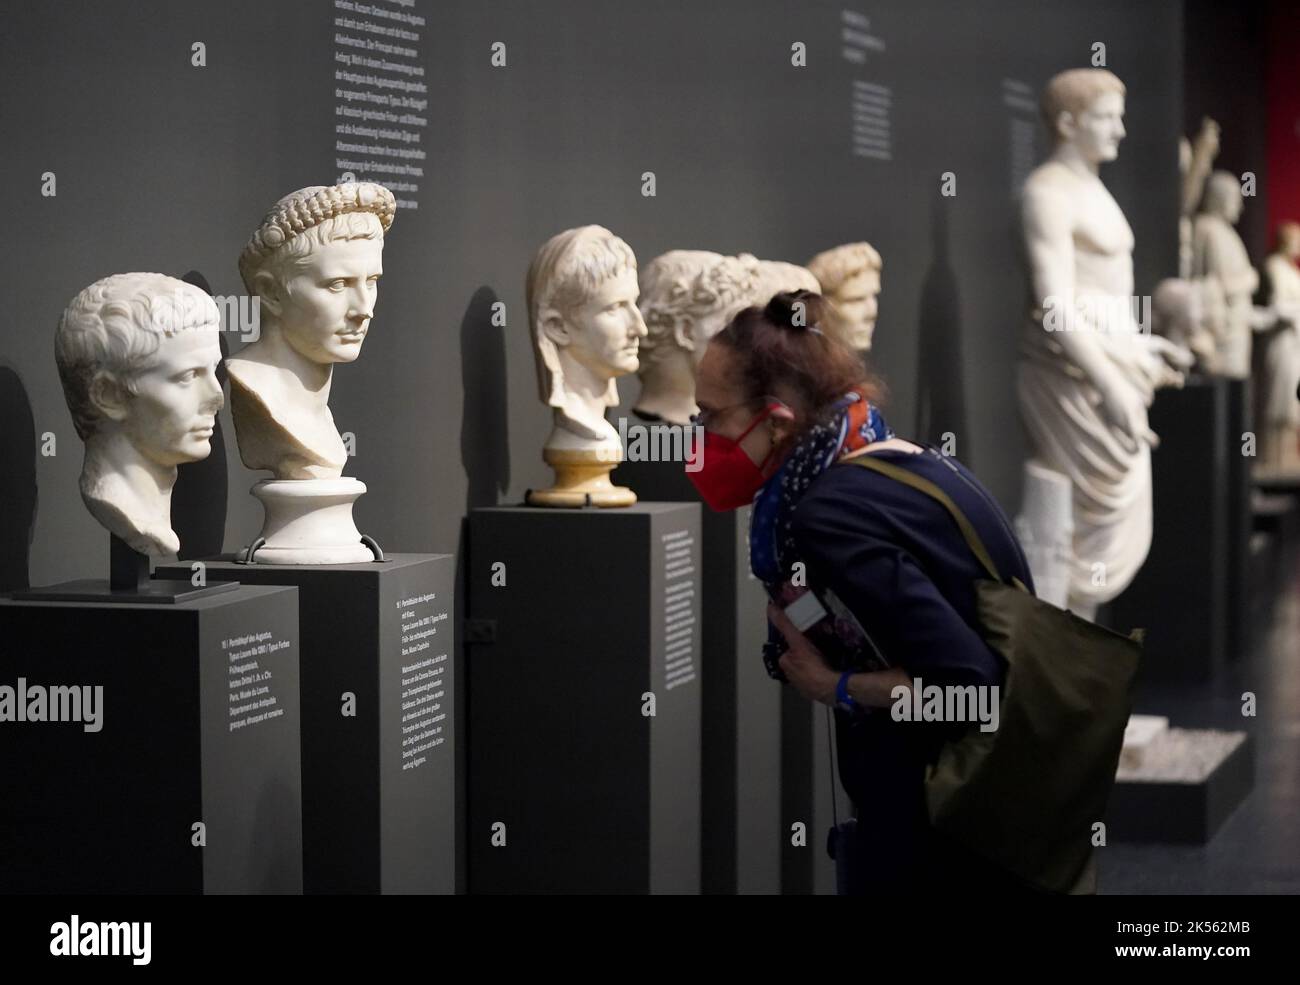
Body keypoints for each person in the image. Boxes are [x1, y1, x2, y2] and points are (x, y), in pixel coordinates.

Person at [688, 290, 1035, 893]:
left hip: (940, 827)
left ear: (775, 421)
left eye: (710, 417)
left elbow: (971, 689)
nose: (697, 439)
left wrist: (836, 685)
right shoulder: (886, 457)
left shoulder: (828, 515)